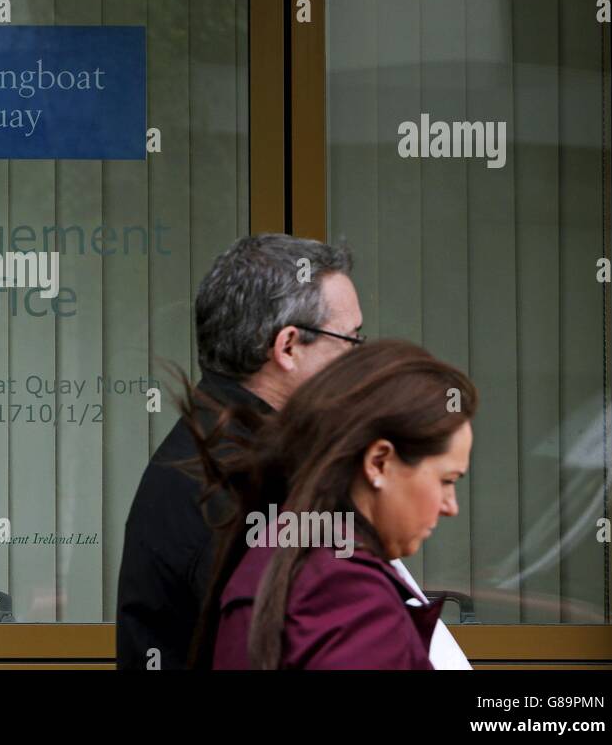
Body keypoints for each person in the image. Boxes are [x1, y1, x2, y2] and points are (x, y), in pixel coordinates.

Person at [116, 233, 360, 670]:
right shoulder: (242, 476)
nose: (360, 365)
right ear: (287, 347)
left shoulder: (214, 447)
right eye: (350, 341)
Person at [182, 339, 477, 669]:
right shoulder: (350, 599)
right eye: (447, 480)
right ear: (379, 463)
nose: (451, 506)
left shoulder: (282, 544)